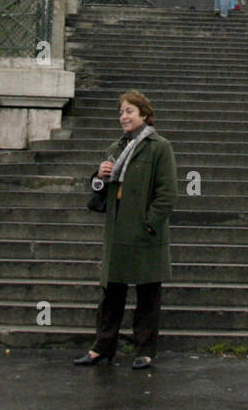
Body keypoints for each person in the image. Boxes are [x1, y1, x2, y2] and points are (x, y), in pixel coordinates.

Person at [75, 90, 177, 369]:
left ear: (144, 114)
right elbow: (100, 191)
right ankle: (102, 346)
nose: (123, 117)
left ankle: (144, 350)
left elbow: (167, 193)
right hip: (117, 230)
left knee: (147, 294)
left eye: (129, 111)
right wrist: (99, 177)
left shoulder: (159, 147)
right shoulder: (115, 148)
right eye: (121, 112)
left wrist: (149, 223)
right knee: (112, 293)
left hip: (144, 232)